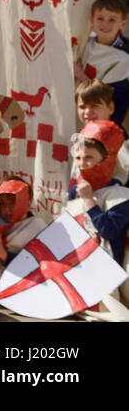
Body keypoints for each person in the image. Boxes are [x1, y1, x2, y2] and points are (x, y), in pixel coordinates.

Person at [66, 121, 129, 310]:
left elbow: (108, 231)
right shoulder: (74, 191)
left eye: (88, 158)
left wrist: (89, 202)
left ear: (106, 159)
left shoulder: (121, 195)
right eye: (78, 158)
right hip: (80, 266)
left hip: (108, 271)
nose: (81, 164)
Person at [76, 0, 129, 125]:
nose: (105, 24)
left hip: (108, 121)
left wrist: (80, 75)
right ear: (92, 21)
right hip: (83, 110)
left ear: (122, 24)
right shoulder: (85, 43)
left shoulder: (124, 56)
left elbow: (107, 95)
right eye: (100, 19)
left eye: (112, 20)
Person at [75, 82, 129, 180]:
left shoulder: (117, 137)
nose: (87, 112)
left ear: (111, 108)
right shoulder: (78, 137)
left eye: (94, 106)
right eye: (82, 107)